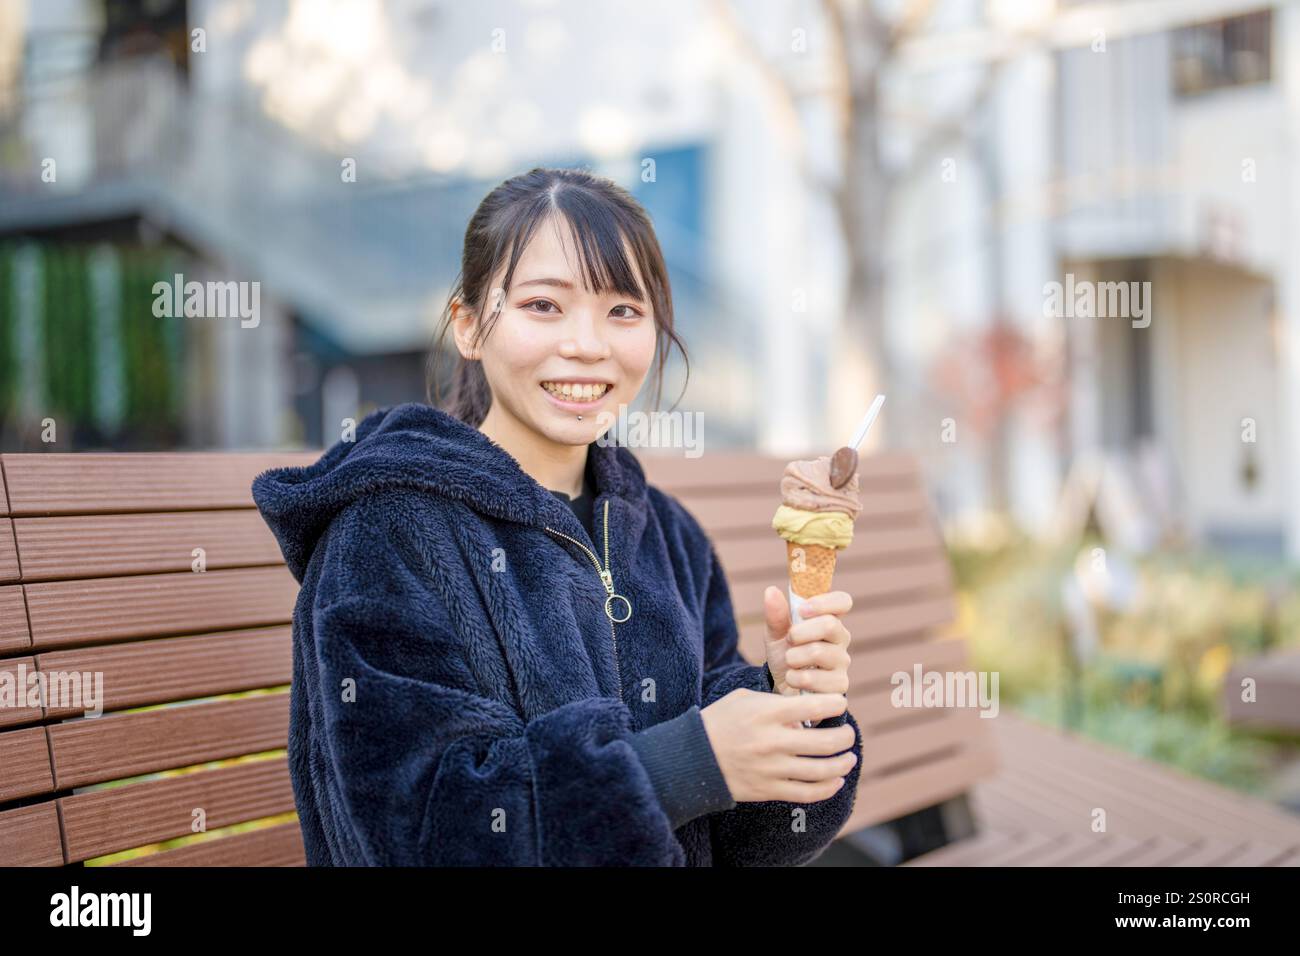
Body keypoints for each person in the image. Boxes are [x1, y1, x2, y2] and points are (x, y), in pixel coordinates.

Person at [252, 166, 862, 866]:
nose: (587, 344)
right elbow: (415, 829)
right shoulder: (387, 532)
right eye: (545, 306)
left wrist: (787, 701)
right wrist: (686, 763)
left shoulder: (668, 537)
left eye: (623, 311)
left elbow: (736, 844)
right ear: (471, 325)